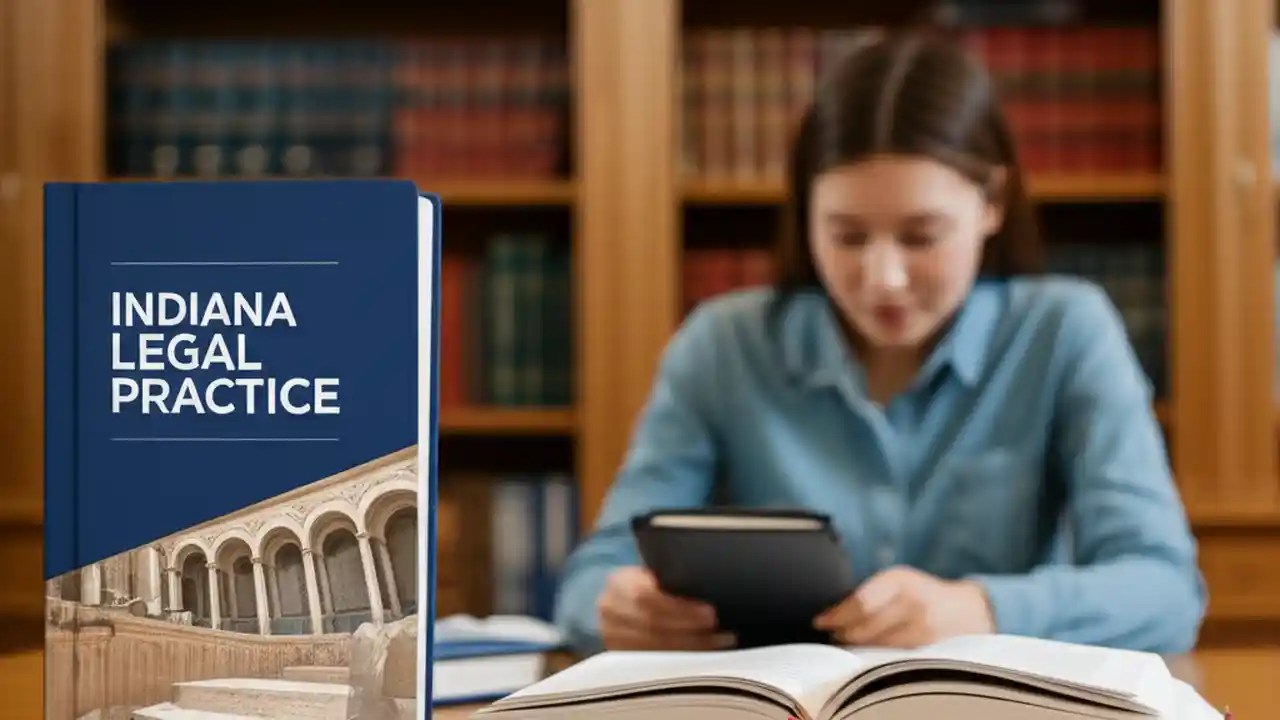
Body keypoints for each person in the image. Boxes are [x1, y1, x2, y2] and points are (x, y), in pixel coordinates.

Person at [552, 30, 1206, 656]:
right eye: (846, 235)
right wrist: (622, 608)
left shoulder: (1065, 331)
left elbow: (1167, 591)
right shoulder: (723, 344)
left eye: (922, 237)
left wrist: (982, 609)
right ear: (803, 213)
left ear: (992, 204)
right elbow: (591, 581)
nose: (883, 279)